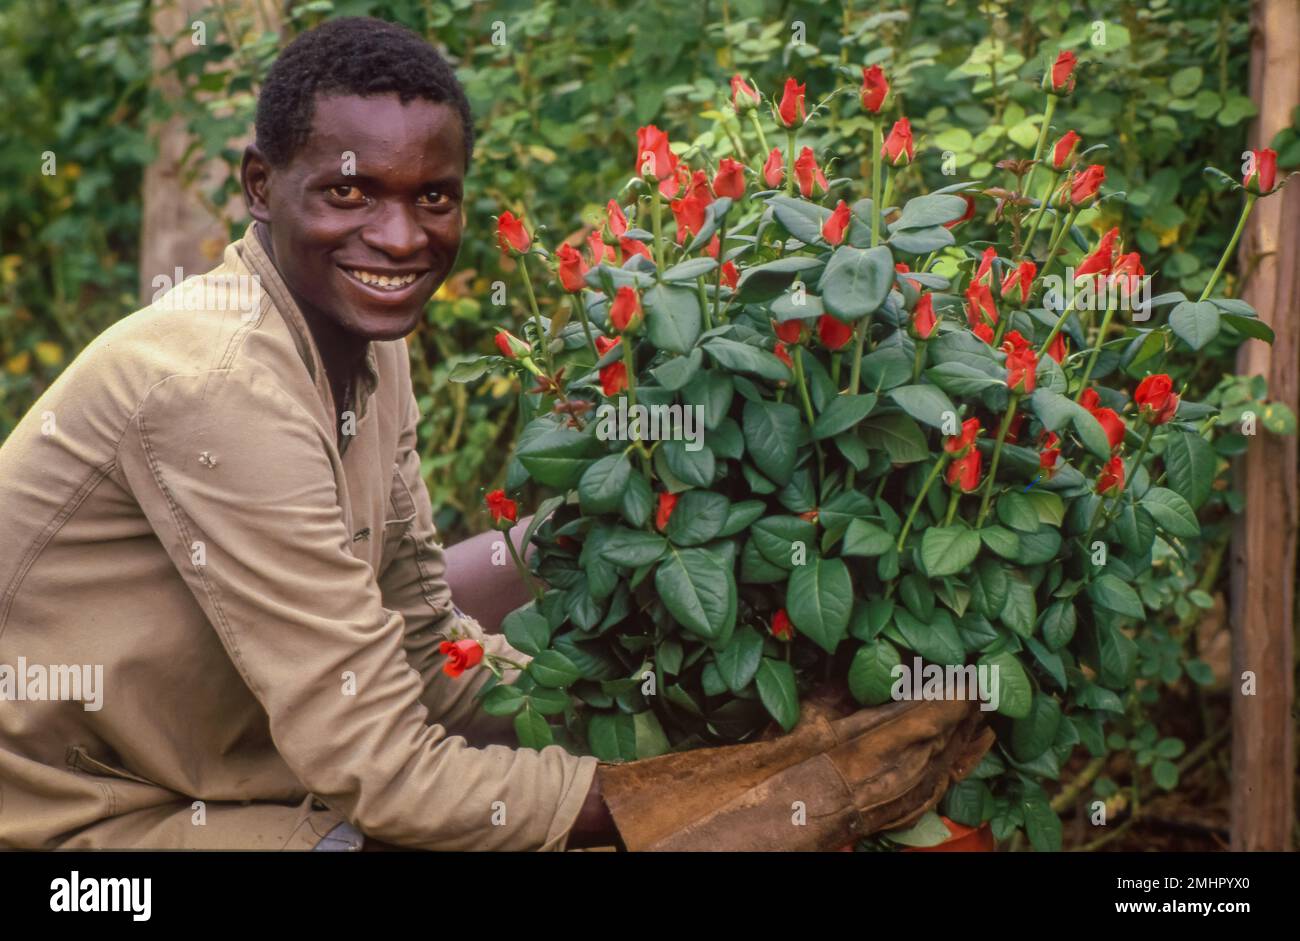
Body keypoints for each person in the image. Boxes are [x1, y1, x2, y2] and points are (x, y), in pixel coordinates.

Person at [0, 16, 614, 850]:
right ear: (261, 185)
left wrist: (635, 711)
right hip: (72, 818)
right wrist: (654, 801)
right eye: (350, 192)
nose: (400, 240)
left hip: (201, 766)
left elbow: (424, 644)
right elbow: (386, 771)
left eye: (433, 196)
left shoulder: (362, 339)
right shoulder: (215, 386)